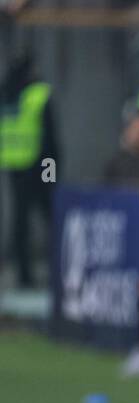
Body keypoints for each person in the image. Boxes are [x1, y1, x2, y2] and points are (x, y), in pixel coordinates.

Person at [0, 53, 58, 289]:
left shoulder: (6, 92)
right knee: (50, 217)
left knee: (20, 220)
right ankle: (57, 269)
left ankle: (24, 274)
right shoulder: (39, 94)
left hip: (13, 165)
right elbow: (50, 139)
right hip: (40, 165)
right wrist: (52, 174)